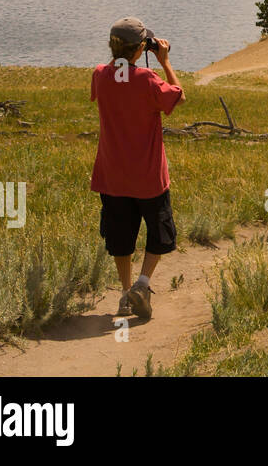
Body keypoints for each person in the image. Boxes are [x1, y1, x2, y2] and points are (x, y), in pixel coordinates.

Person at [90, 17, 185, 321]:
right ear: (142, 47)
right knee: (159, 233)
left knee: (120, 237)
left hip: (113, 174)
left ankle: (125, 291)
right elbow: (178, 95)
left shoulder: (100, 76)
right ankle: (143, 284)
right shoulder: (148, 79)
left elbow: (113, 74)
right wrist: (165, 60)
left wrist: (127, 60)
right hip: (148, 177)